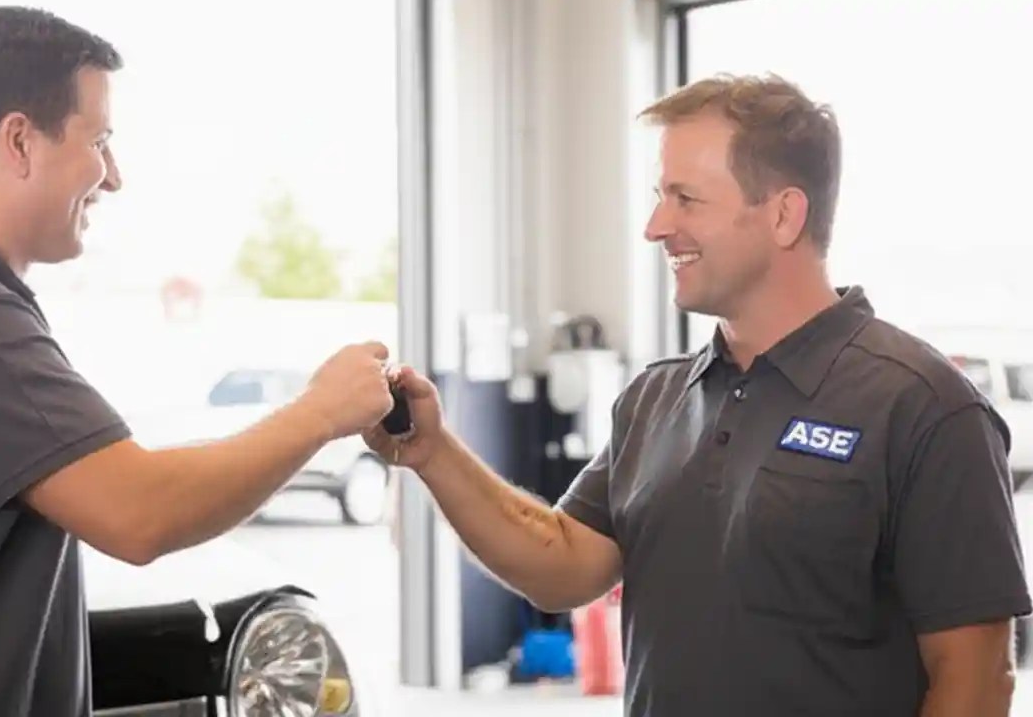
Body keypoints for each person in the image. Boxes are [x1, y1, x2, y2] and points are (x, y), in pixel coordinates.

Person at [0, 7, 393, 717]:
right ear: (19, 140)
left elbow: (122, 472)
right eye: (100, 140)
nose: (114, 177)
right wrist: (320, 413)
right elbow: (137, 511)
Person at [366, 73, 1031, 716]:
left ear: (782, 214)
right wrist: (434, 452)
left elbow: (975, 679)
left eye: (686, 199)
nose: (656, 226)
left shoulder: (923, 407)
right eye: (660, 196)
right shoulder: (655, 399)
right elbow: (561, 565)